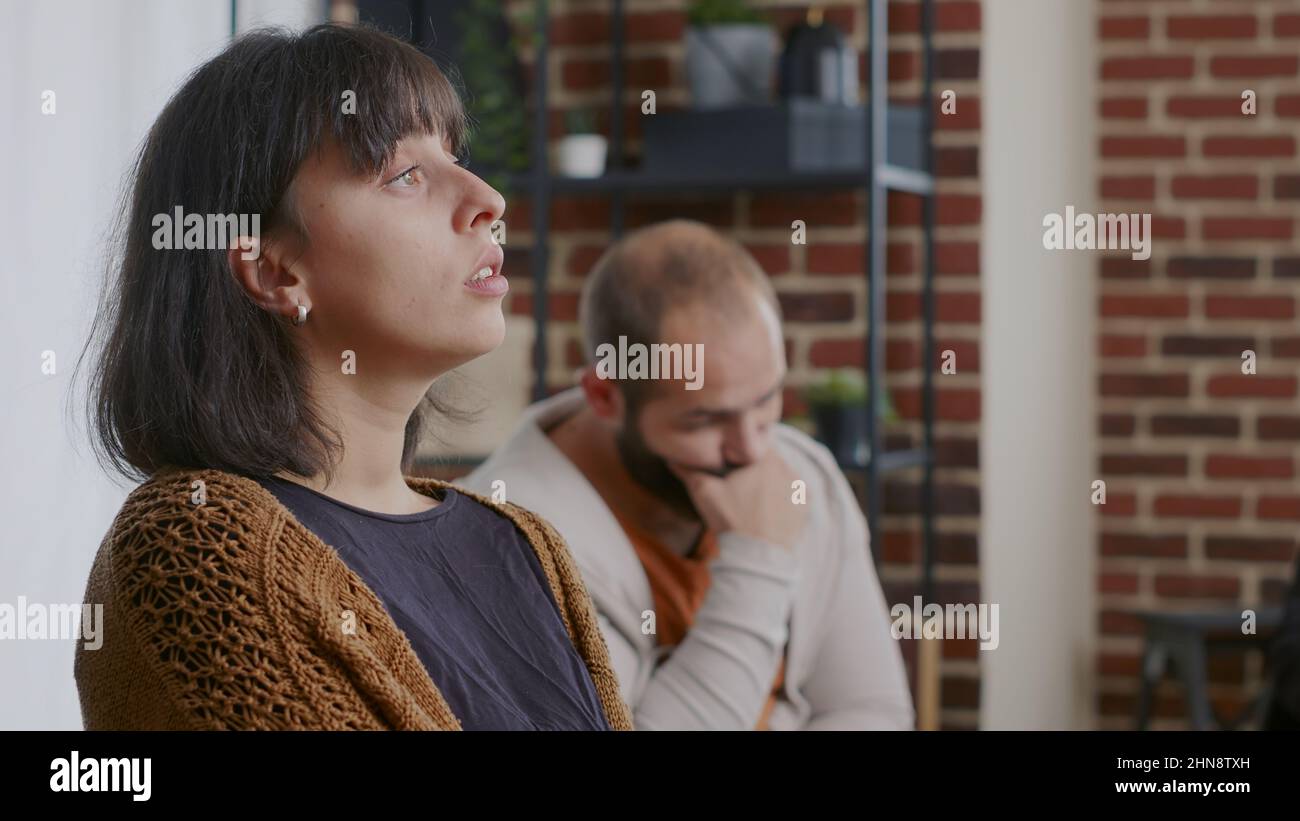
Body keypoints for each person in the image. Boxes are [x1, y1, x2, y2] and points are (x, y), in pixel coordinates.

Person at [73, 23, 631, 731]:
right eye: (404, 174)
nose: (487, 198)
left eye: (455, 155)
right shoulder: (194, 539)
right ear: (274, 269)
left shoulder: (526, 546)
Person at [463, 220, 914, 730]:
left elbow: (870, 710)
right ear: (606, 396)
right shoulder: (506, 543)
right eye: (706, 420)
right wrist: (757, 559)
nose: (751, 448)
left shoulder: (803, 472)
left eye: (766, 400)